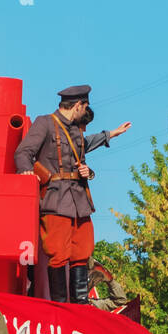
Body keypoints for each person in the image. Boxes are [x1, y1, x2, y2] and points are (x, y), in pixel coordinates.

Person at [14, 85, 131, 302]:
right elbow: (23, 152)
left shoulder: (75, 129)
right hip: (56, 199)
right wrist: (27, 172)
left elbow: (84, 145)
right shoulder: (45, 123)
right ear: (78, 105)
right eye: (84, 106)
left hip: (80, 201)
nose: (85, 109)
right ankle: (60, 307)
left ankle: (79, 306)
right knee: (58, 254)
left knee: (81, 253)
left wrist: (110, 135)